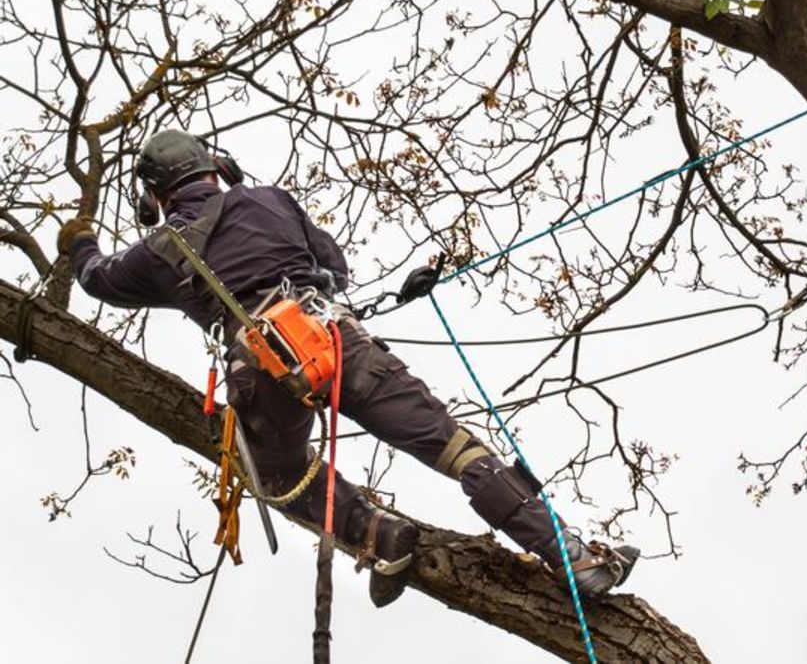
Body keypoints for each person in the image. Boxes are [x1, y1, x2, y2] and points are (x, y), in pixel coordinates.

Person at [57, 129, 638, 607]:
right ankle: (572, 556)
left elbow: (97, 279)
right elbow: (333, 266)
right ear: (218, 168)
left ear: (155, 196)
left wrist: (79, 241)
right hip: (338, 338)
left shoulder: (159, 251)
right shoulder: (272, 200)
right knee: (453, 447)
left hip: (261, 369)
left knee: (279, 476)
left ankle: (378, 532)